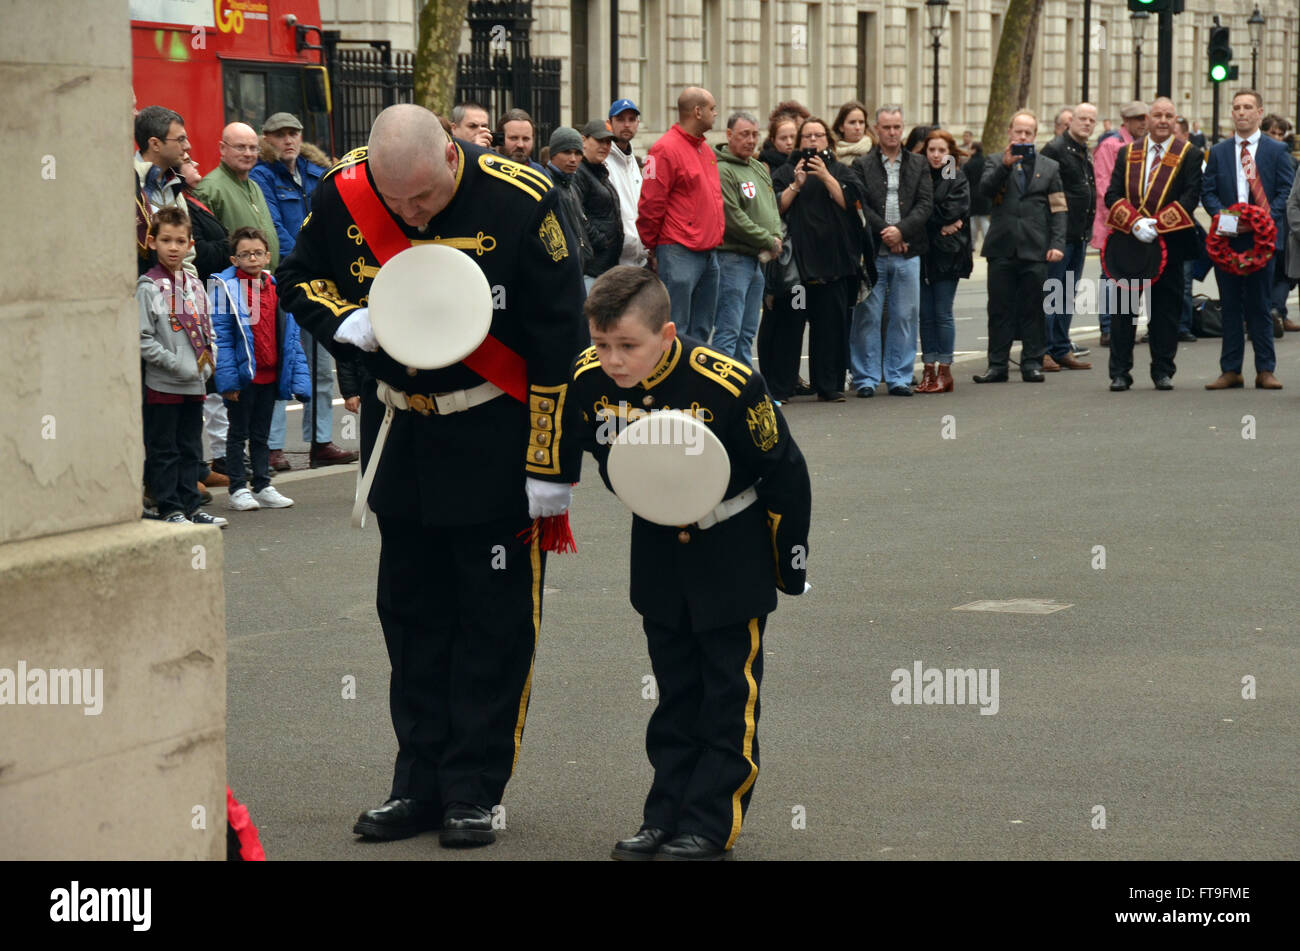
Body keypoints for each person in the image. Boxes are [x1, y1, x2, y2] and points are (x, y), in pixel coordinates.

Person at [276, 104, 585, 848]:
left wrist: (551, 467)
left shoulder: (522, 199)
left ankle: (474, 788)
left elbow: (558, 338)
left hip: (494, 439)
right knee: (412, 619)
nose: (409, 215)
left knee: (492, 622)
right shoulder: (345, 189)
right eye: (396, 202)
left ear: (451, 157)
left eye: (422, 199)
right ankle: (415, 782)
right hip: (403, 436)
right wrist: (347, 321)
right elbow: (298, 275)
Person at [567, 266, 810, 860]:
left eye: (629, 346)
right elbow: (603, 458)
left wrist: (786, 565)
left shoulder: (725, 384)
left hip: (731, 550)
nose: (614, 360)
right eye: (601, 345)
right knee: (676, 694)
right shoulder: (588, 382)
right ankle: (663, 815)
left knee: (726, 694)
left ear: (668, 334)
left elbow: (786, 472)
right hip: (656, 551)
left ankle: (709, 822)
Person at [251, 113, 356, 471]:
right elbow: (273, 227)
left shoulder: (315, 172)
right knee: (284, 363)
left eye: (293, 133)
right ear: (267, 139)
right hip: (288, 280)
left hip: (320, 282)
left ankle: (320, 441)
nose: (288, 140)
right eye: (280, 135)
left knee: (321, 369)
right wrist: (303, 262)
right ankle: (274, 446)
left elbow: (330, 219)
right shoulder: (262, 176)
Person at [1102, 97, 1203, 391]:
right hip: (1129, 243)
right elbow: (1111, 194)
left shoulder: (1190, 154)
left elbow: (1190, 196)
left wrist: (1157, 225)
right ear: (1147, 119)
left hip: (1169, 243)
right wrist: (1135, 222)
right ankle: (1120, 372)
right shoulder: (1128, 153)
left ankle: (1162, 370)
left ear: (1175, 121)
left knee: (1165, 311)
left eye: (1168, 116)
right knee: (1123, 311)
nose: (1162, 120)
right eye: (1157, 115)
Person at [210, 226, 311, 509]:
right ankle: (237, 488)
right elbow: (223, 337)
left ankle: (263, 484)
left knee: (261, 434)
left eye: (257, 253)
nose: (252, 258)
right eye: (245, 254)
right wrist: (228, 382)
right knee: (237, 433)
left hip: (270, 375)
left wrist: (297, 379)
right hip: (244, 378)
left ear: (267, 256)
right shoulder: (225, 289)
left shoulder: (277, 288)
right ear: (234, 260)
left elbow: (291, 337)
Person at [136, 206, 225, 528]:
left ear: (190, 245)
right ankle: (169, 507)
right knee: (165, 449)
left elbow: (207, 326)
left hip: (194, 382)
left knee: (191, 448)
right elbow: (143, 338)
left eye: (180, 241)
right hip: (164, 383)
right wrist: (175, 364)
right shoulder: (148, 287)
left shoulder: (194, 284)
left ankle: (191, 506)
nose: (173, 247)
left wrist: (209, 356)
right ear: (152, 242)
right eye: (166, 240)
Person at [1202, 90, 1296, 390]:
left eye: (1247, 108)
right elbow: (1209, 192)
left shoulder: (1276, 151)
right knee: (1230, 305)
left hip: (1263, 240)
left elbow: (1285, 191)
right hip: (1229, 238)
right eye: (1237, 108)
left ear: (1259, 112)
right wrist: (1228, 220)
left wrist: (1262, 220)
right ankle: (1231, 370)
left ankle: (1265, 369)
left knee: (1260, 305)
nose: (1241, 112)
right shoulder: (1218, 152)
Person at [768, 116, 864, 402]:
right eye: (807, 136)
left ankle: (828, 385)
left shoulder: (840, 171)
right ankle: (782, 387)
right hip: (797, 271)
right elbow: (776, 207)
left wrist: (824, 176)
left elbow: (850, 202)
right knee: (789, 329)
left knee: (830, 329)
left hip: (831, 268)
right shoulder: (786, 172)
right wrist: (797, 184)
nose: (812, 141)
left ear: (828, 141)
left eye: (818, 135)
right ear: (799, 142)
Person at [973, 110, 1067, 384]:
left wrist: (1057, 243)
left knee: (1033, 309)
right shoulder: (993, 162)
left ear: (1035, 136)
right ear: (1010, 133)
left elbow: (1059, 208)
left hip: (1035, 248)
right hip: (1002, 246)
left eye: (1028, 133)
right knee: (999, 309)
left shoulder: (1050, 167)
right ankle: (997, 365)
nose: (1023, 137)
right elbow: (984, 192)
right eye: (1018, 132)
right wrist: (1004, 165)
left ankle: (1032, 363)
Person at [850, 106, 933, 397]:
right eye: (886, 127)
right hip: (874, 252)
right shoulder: (862, 164)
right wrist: (887, 232)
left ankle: (899, 375)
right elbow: (860, 205)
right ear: (876, 129)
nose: (893, 133)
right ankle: (866, 378)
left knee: (904, 315)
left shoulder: (919, 163)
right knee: (867, 316)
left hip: (908, 251)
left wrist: (901, 231)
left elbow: (925, 204)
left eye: (897, 127)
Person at [637, 87, 725, 341]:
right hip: (678, 250)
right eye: (712, 108)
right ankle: (671, 380)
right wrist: (652, 247)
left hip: (708, 252)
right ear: (698, 111)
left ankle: (693, 379)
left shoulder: (705, 150)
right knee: (676, 328)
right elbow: (650, 204)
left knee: (701, 328)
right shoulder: (664, 149)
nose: (715, 113)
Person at [713, 111, 782, 366]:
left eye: (755, 134)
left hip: (756, 262)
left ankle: (742, 391)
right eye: (744, 134)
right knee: (728, 331)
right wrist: (768, 240)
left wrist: (776, 234)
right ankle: (720, 391)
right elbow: (733, 218)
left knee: (746, 333)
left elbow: (772, 207)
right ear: (729, 135)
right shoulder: (723, 170)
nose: (751, 140)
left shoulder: (756, 166)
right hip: (732, 260)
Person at [1040, 102, 1097, 372]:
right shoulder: (1055, 149)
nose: (1087, 124)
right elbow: (1044, 191)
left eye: (1091, 120)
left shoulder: (1083, 150)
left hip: (1079, 234)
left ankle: (1061, 348)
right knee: (1051, 293)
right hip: (1060, 235)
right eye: (1082, 119)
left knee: (1066, 295)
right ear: (1070, 121)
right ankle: (1042, 350)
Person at [916, 129, 971, 393]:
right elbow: (919, 210)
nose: (936, 156)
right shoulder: (919, 174)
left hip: (948, 255)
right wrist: (939, 222)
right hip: (923, 253)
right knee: (925, 315)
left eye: (942, 150)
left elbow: (953, 209)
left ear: (950, 153)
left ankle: (945, 370)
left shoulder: (954, 175)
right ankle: (928, 368)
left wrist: (930, 218)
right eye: (931, 150)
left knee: (942, 312)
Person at [1091, 101, 1147, 347]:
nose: (1144, 123)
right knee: (1109, 274)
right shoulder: (1111, 145)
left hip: (1136, 222)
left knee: (1130, 274)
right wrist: (1122, 217)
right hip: (1114, 221)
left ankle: (1124, 325)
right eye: (1138, 119)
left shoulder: (1141, 146)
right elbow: (1103, 188)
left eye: (1146, 118)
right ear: (1127, 121)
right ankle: (1107, 327)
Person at [195, 122, 280, 268]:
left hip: (263, 282)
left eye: (253, 148)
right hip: (234, 285)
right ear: (222, 148)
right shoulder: (209, 190)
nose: (248, 153)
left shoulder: (254, 187)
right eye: (240, 147)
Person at [134, 105, 195, 277]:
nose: (187, 146)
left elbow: (188, 255)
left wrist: (189, 290)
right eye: (180, 139)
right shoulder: (128, 184)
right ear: (155, 144)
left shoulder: (173, 184)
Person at [575, 119, 623, 290]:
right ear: (583, 140)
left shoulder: (599, 172)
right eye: (599, 140)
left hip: (607, 268)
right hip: (592, 269)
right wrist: (601, 241)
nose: (605, 146)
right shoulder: (579, 172)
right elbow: (577, 216)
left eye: (608, 142)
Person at [605, 98, 647, 268]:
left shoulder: (634, 162)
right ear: (610, 124)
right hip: (615, 261)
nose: (627, 125)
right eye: (621, 120)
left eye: (631, 119)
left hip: (641, 259)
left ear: (637, 123)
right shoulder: (603, 161)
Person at [545, 126, 593, 276]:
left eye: (578, 153)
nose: (573, 159)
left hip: (579, 269)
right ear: (553, 154)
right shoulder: (547, 186)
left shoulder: (573, 187)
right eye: (567, 152)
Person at [496, 107, 548, 175]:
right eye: (514, 138)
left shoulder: (540, 174)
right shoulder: (486, 171)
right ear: (499, 138)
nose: (520, 145)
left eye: (526, 139)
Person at [758, 108, 802, 175]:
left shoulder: (803, 160)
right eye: (783, 138)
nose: (789, 142)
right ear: (773, 140)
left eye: (793, 137)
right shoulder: (764, 163)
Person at [964, 142, 990, 249]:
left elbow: (965, 180)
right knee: (984, 220)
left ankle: (972, 244)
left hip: (972, 194)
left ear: (974, 150)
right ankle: (988, 243)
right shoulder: (987, 162)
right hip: (984, 194)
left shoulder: (968, 164)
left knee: (973, 221)